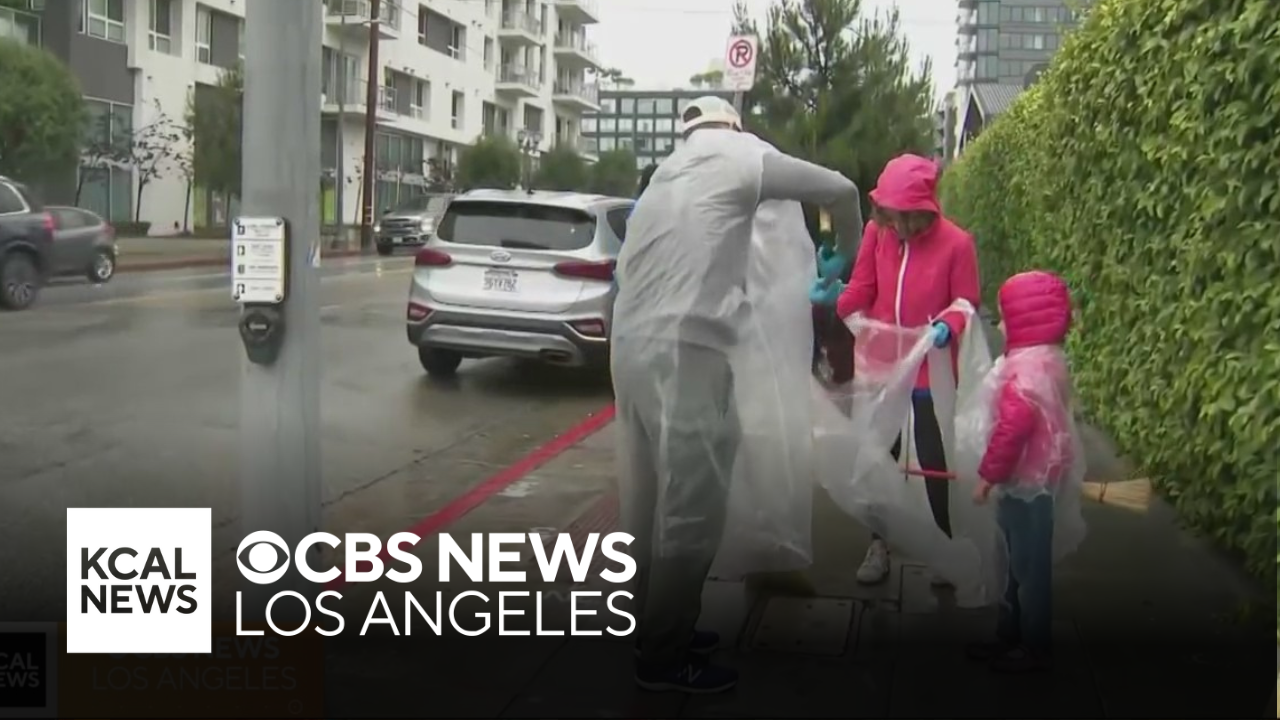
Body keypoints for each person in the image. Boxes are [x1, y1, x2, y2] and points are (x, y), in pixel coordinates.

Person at [613, 95, 863, 694]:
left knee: (647, 493)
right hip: (688, 350)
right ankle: (664, 657)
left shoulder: (668, 173)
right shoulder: (744, 156)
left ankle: (658, 625)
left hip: (628, 346)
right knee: (691, 506)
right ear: (735, 127)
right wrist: (844, 258)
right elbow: (843, 191)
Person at [810, 153, 981, 586]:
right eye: (894, 219)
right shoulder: (877, 232)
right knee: (879, 453)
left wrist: (949, 324)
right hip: (883, 359)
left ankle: (942, 542)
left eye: (911, 220)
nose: (901, 230)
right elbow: (865, 287)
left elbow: (966, 301)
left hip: (928, 362)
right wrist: (833, 301)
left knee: (932, 453)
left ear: (928, 209)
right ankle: (878, 543)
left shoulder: (957, 244)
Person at [967, 270, 1076, 673]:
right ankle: (1012, 636)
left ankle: (1032, 646)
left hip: (1024, 484)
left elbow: (1013, 428)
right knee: (1022, 564)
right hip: (1039, 481)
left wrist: (987, 477)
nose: (1000, 324)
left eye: (1004, 317)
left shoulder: (1023, 373)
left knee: (1024, 568)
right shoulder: (1047, 361)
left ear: (1025, 321)